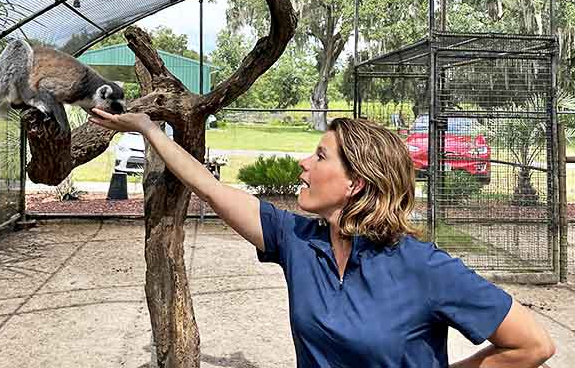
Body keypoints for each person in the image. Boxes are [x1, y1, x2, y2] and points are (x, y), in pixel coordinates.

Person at [89, 110, 555, 368]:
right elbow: (210, 187)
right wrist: (149, 129)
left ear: (355, 182)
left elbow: (533, 344)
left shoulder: (422, 267)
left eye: (319, 156)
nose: (303, 165)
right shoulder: (298, 240)